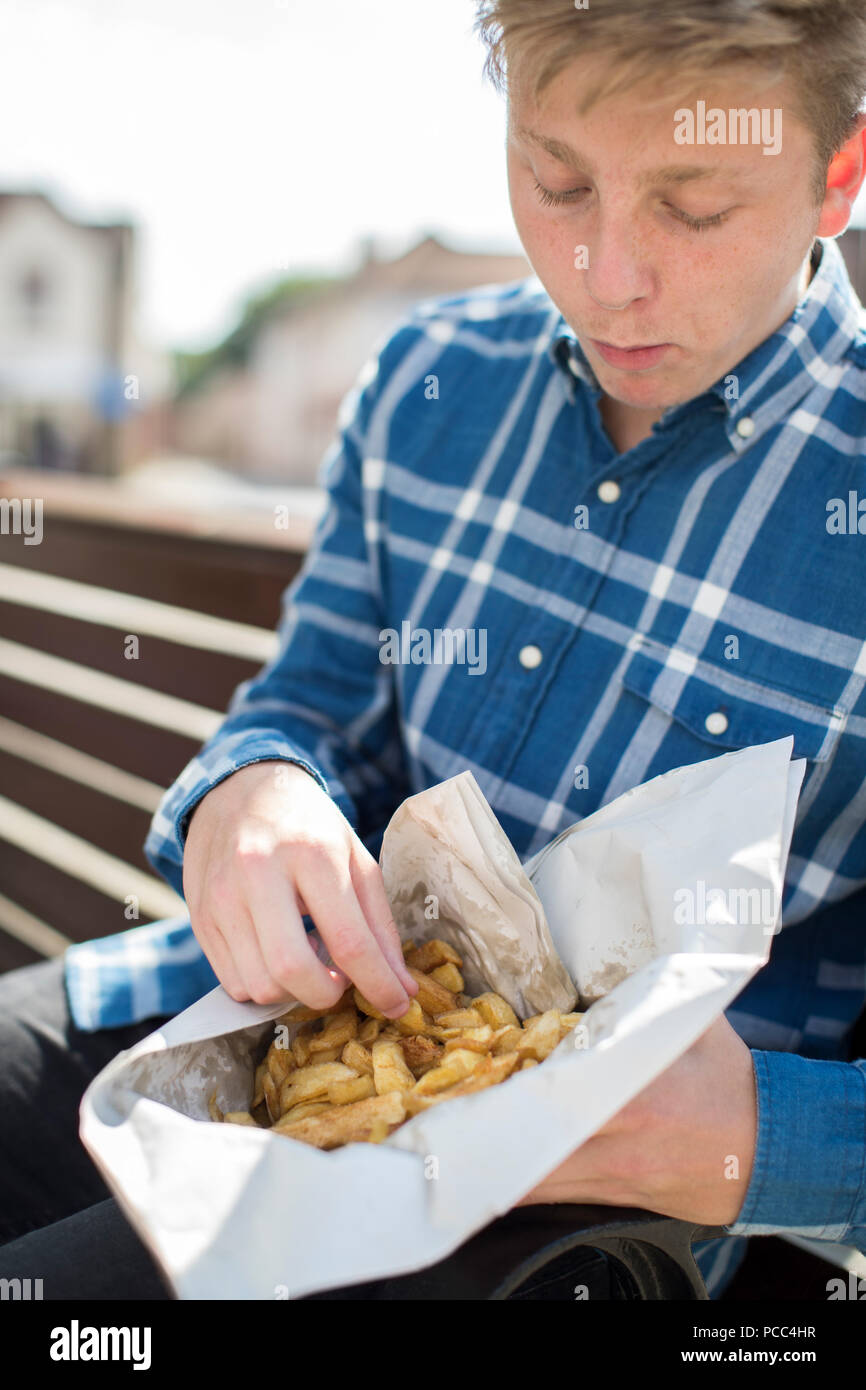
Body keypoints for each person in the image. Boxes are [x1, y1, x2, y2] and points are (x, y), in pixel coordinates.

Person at [3, 0, 866, 1299]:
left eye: (692, 206)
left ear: (838, 175)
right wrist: (249, 789)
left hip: (593, 1221)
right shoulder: (427, 379)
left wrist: (765, 1140)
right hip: (245, 1023)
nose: (603, 273)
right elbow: (307, 704)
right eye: (553, 177)